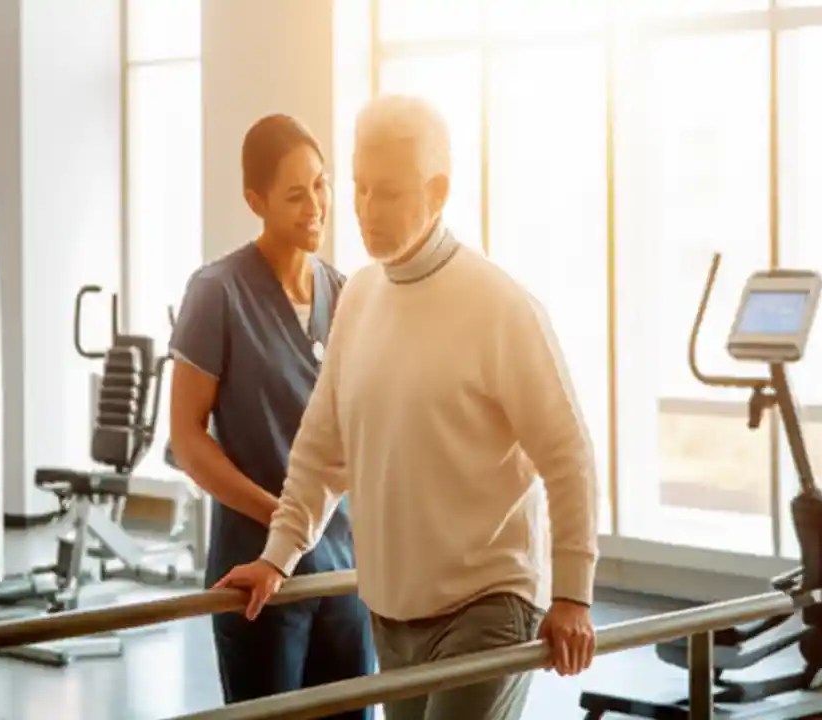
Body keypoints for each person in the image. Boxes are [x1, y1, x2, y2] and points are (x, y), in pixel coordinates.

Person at [212, 94, 600, 720]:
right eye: (360, 188)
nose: (364, 211)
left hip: (488, 602)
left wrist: (573, 595)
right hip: (392, 613)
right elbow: (321, 450)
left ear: (437, 190)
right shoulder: (360, 297)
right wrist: (276, 557)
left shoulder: (499, 306)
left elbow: (568, 455)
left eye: (386, 193)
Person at [168, 114, 376, 717]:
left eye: (321, 185)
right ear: (254, 200)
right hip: (257, 571)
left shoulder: (346, 295)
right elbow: (186, 439)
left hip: (344, 573)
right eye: (294, 194)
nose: (315, 205)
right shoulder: (217, 293)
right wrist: (283, 518)